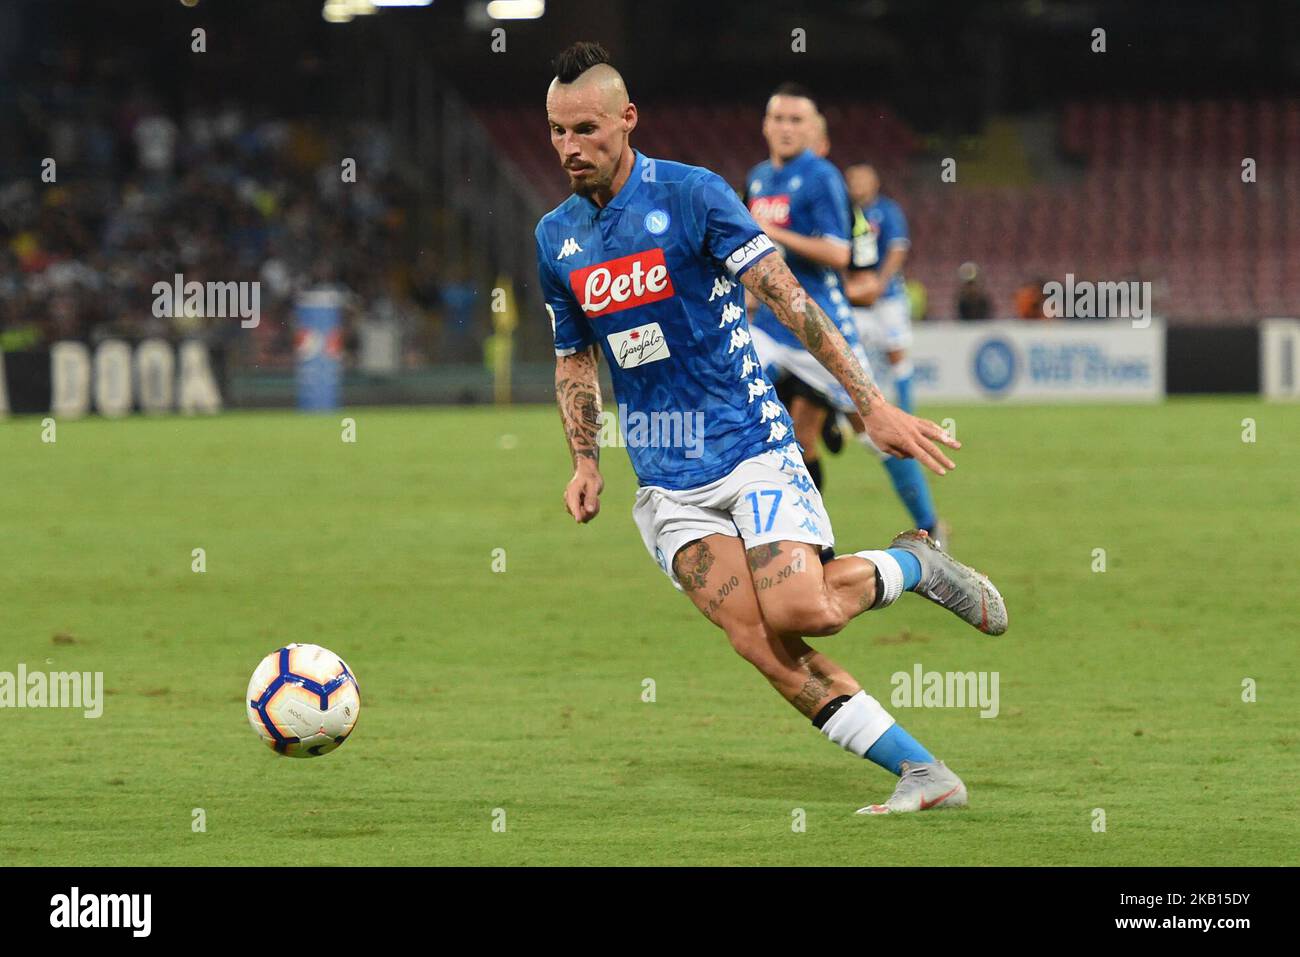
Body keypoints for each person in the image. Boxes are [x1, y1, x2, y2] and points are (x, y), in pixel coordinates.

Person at [535, 42, 1008, 814]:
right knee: (759, 641)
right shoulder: (555, 237)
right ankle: (925, 773)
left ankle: (916, 565)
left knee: (805, 610)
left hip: (750, 445)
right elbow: (574, 358)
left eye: (584, 129)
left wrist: (869, 403)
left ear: (627, 119)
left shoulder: (694, 196)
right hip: (666, 483)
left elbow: (789, 296)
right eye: (556, 132)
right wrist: (585, 459)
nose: (568, 148)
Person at [843, 163, 944, 541]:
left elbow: (894, 252)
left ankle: (929, 525)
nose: (856, 184)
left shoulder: (885, 212)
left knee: (871, 429)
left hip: (875, 302)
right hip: (837, 310)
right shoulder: (835, 209)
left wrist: (875, 286)